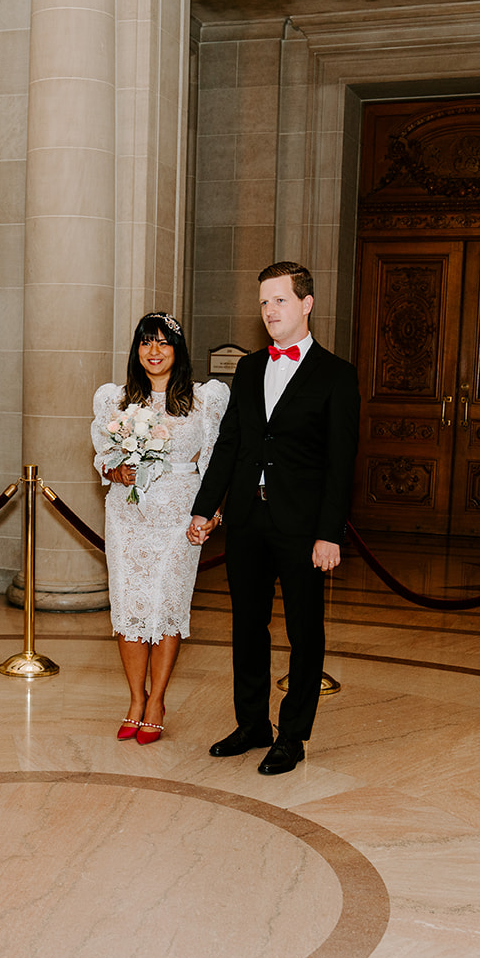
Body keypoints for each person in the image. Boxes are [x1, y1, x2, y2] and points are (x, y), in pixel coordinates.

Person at [188, 262, 359, 775]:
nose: (269, 311)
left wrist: (329, 533)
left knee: (305, 631)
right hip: (247, 518)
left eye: (279, 300)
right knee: (248, 625)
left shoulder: (337, 375)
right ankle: (252, 725)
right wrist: (205, 506)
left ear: (306, 304)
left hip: (303, 525)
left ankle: (292, 735)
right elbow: (231, 442)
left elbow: (340, 462)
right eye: (263, 302)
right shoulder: (248, 369)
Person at [92, 312, 230, 744]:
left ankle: (158, 701)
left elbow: (214, 464)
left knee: (166, 605)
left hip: (178, 516)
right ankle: (136, 698)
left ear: (177, 350)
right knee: (129, 606)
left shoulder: (203, 399)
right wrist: (116, 472)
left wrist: (212, 514)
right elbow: (102, 456)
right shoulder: (115, 400)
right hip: (127, 517)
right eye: (145, 342)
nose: (154, 351)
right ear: (136, 350)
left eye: (163, 343)